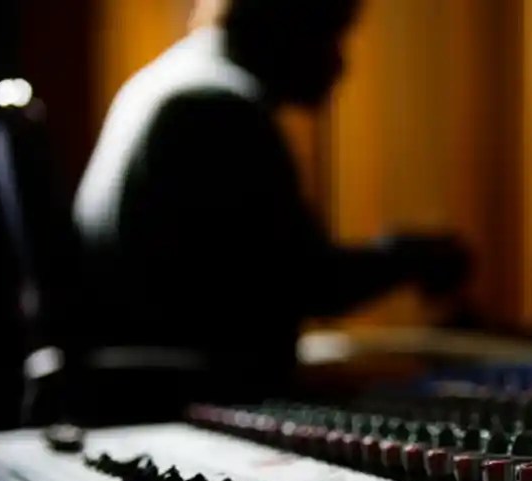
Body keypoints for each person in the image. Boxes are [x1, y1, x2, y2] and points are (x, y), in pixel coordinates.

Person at [70, 0, 466, 421]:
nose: (340, 64)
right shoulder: (216, 107)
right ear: (286, 23)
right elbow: (309, 280)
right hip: (182, 406)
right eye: (331, 36)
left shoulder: (169, 78)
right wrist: (411, 257)